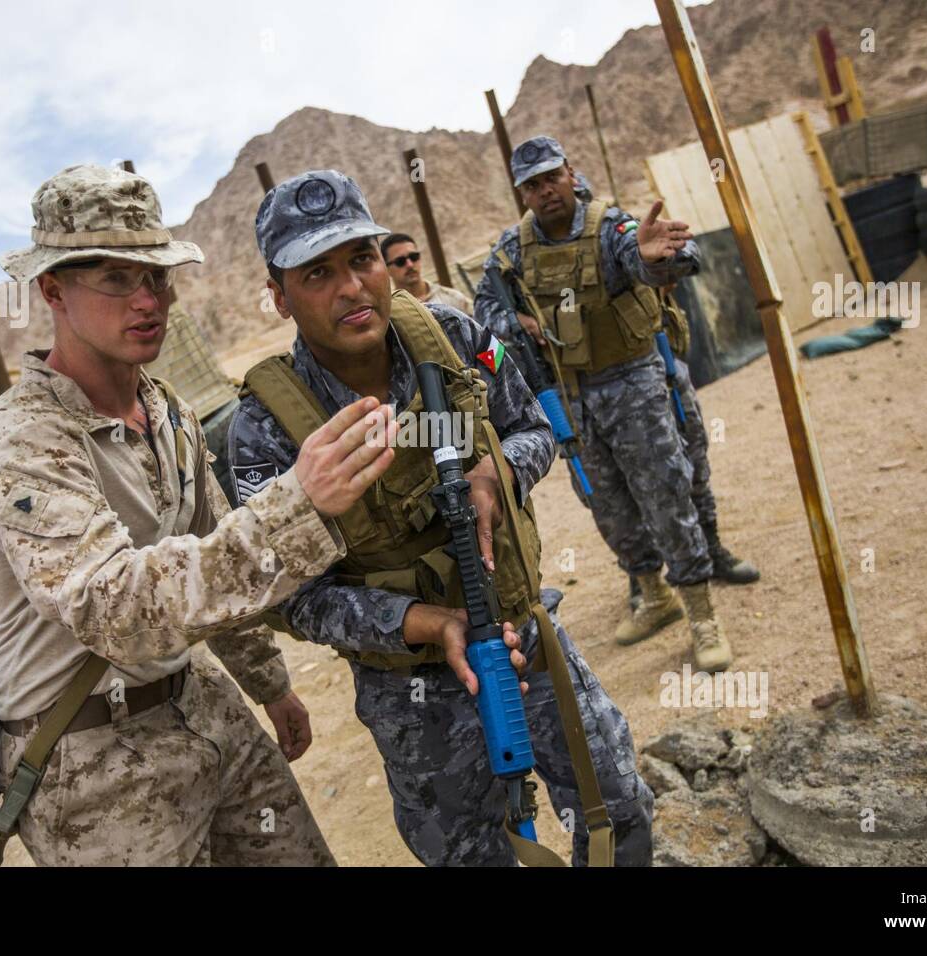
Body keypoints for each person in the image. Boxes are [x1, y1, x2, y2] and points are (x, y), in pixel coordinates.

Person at [0, 163, 397, 866]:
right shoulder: (22, 444)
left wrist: (269, 685)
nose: (148, 300)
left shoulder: (167, 411)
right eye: (116, 278)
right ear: (53, 290)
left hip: (198, 706)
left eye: (157, 276)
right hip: (88, 759)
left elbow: (208, 543)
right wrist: (298, 503)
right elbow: (117, 607)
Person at [228, 169, 654, 866]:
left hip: (522, 633)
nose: (352, 288)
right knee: (467, 855)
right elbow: (292, 597)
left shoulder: (451, 333)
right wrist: (422, 623)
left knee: (618, 808)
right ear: (279, 298)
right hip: (413, 690)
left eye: (362, 259)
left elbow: (533, 425)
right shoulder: (267, 426)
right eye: (317, 274)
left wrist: (501, 469)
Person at [474, 136, 743, 668]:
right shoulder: (511, 250)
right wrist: (519, 322)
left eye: (552, 176)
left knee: (665, 491)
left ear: (571, 172)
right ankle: (654, 594)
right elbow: (484, 315)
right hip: (569, 394)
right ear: (522, 193)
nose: (545, 190)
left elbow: (665, 258)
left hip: (634, 380)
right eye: (533, 184)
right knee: (606, 502)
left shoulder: (611, 227)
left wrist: (656, 260)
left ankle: (702, 614)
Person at [381, 232, 473, 312]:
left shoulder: (454, 299)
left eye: (414, 257)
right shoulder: (390, 312)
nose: (410, 265)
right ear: (387, 269)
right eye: (400, 261)